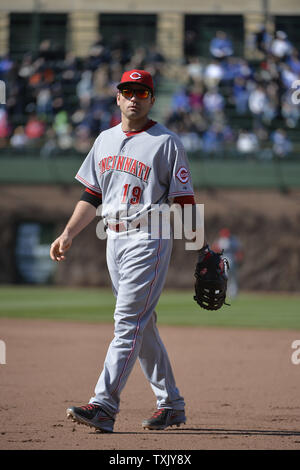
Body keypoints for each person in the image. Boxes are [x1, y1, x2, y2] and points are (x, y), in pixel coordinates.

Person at [50, 69, 201, 433]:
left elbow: (183, 200)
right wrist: (69, 232)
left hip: (149, 237)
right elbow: (92, 195)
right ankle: (172, 404)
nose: (134, 97)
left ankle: (103, 406)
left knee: (127, 322)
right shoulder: (103, 140)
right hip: (113, 239)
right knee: (142, 325)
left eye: (142, 91)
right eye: (127, 91)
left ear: (151, 99)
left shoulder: (166, 142)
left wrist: (201, 246)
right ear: (118, 97)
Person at [212, 228, 244, 299]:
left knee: (229, 277)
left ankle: (228, 293)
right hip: (224, 260)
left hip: (229, 260)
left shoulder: (231, 241)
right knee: (228, 277)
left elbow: (238, 252)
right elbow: (215, 250)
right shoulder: (221, 241)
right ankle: (227, 293)